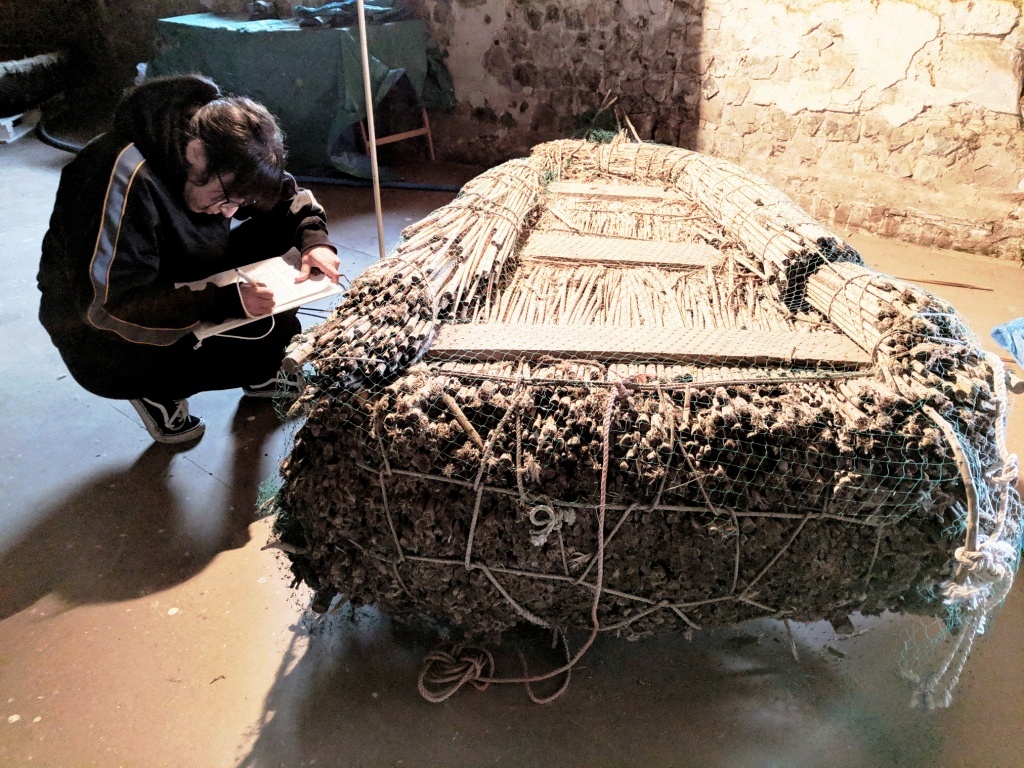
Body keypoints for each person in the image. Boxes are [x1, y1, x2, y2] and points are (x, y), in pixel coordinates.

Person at [37, 74, 340, 444]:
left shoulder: (220, 144)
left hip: (168, 268)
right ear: (195, 154)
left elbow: (282, 195)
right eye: (224, 198)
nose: (230, 214)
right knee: (262, 331)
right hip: (100, 333)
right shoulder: (116, 177)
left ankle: (261, 365)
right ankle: (152, 388)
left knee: (277, 255)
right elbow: (106, 310)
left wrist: (314, 241)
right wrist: (222, 301)